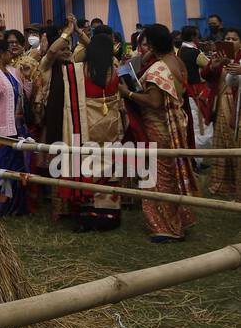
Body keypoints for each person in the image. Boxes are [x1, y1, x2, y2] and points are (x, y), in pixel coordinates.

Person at [119, 23, 197, 242]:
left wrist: (128, 94)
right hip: (175, 125)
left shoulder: (158, 69)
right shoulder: (177, 61)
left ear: (152, 44)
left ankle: (166, 228)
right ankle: (179, 219)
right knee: (171, 175)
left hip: (158, 127)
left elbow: (154, 102)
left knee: (158, 178)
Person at [55, 29, 124, 229]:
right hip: (110, 124)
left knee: (87, 167)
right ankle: (109, 217)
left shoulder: (81, 71)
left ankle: (87, 216)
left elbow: (64, 65)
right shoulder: (114, 69)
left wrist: (74, 33)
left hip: (88, 125)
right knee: (109, 169)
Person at [0, 37, 32, 216]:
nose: (12, 54)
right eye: (9, 51)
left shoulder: (13, 71)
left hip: (18, 127)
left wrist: (26, 77)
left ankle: (14, 206)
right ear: (1, 53)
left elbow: (26, 94)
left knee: (17, 168)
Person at [209, 27, 241, 201]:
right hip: (222, 103)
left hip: (236, 104)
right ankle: (222, 183)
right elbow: (206, 74)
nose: (230, 42)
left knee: (236, 144)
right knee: (223, 143)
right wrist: (216, 65)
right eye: (227, 39)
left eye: (234, 39)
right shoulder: (218, 55)